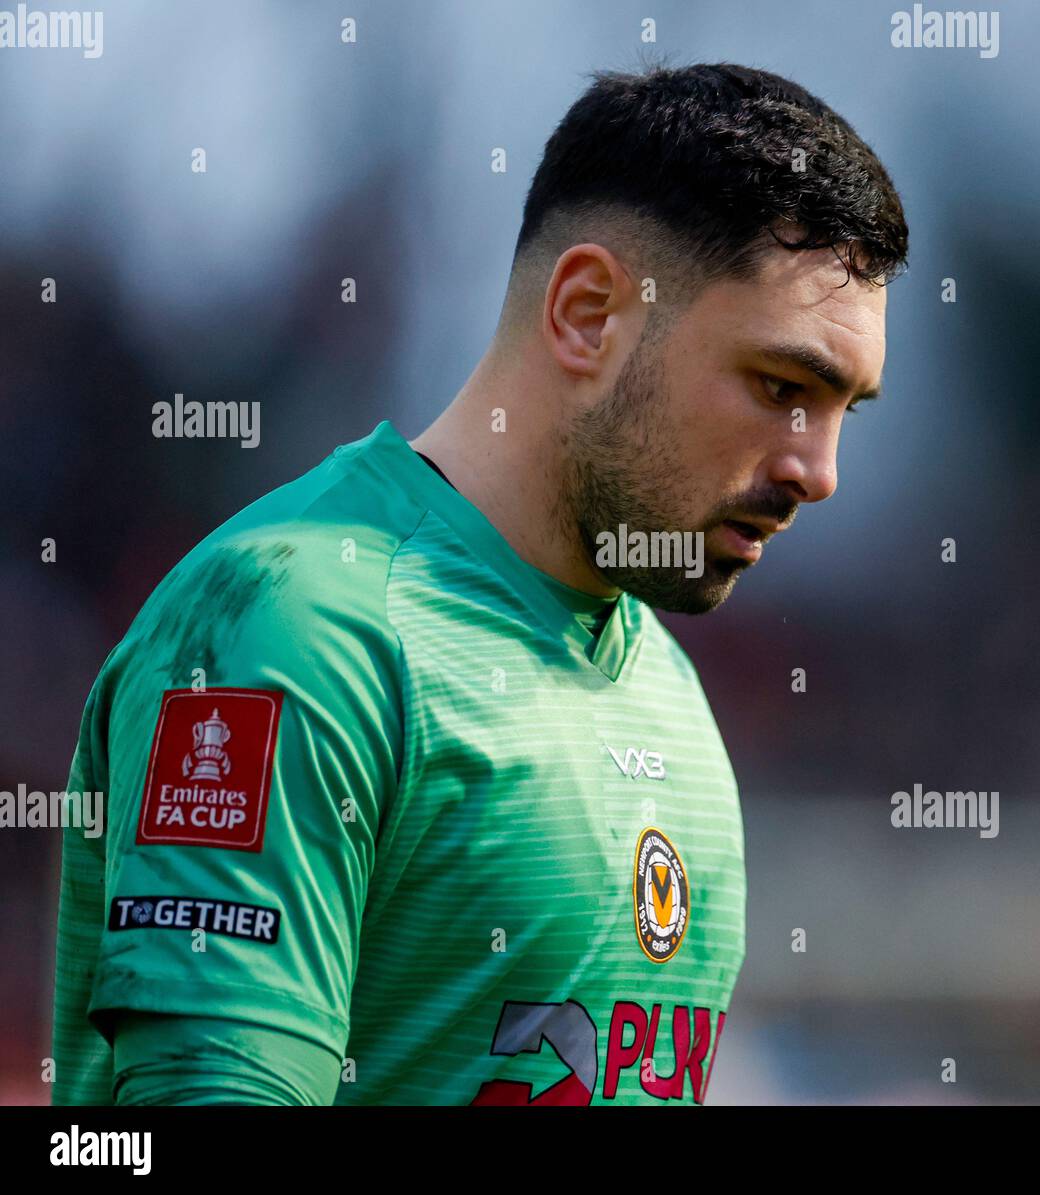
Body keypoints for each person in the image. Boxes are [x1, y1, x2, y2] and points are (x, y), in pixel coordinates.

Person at [50, 60, 908, 1105]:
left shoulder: (667, 696)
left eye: (840, 411)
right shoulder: (293, 629)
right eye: (781, 387)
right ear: (590, 313)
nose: (817, 474)